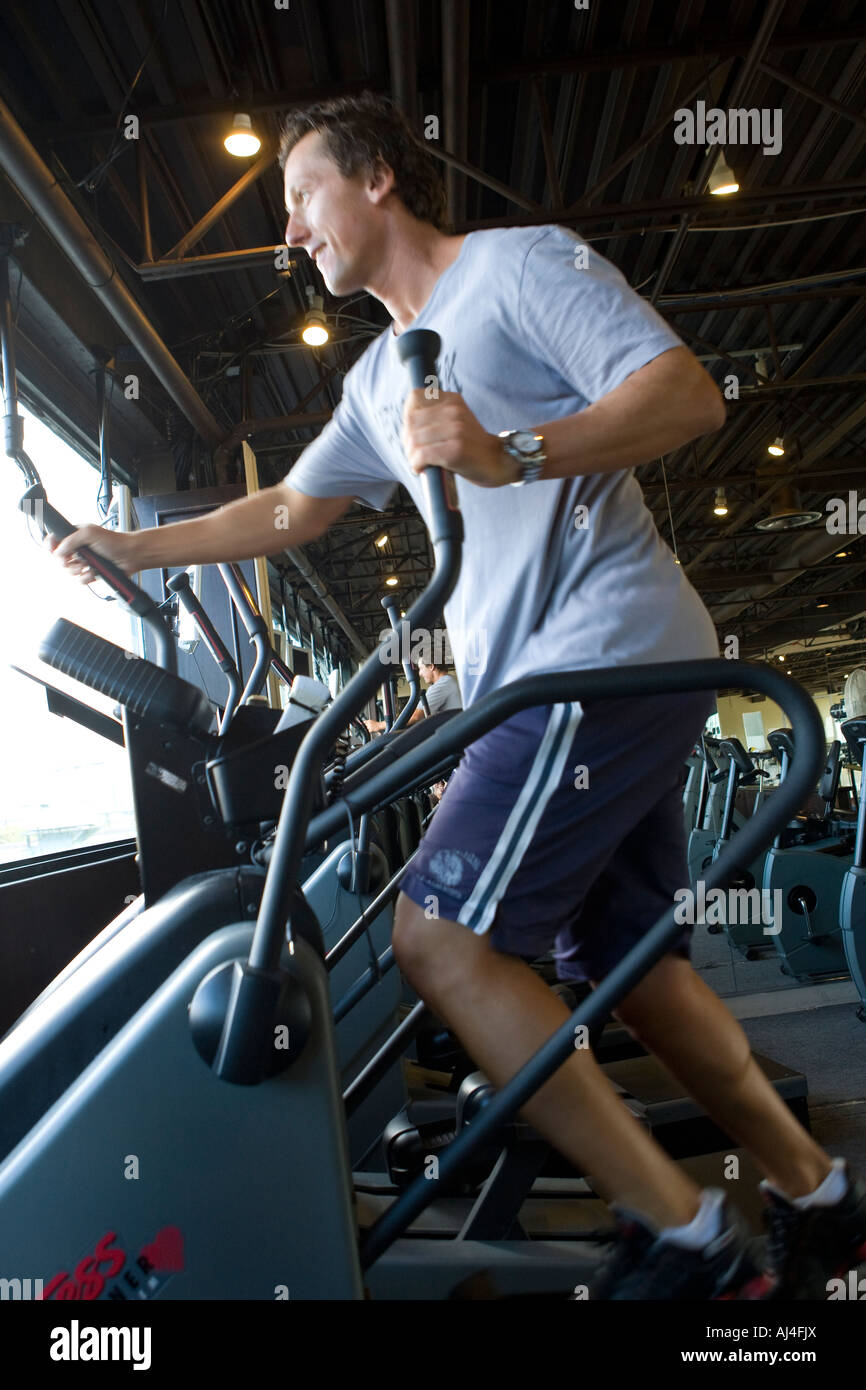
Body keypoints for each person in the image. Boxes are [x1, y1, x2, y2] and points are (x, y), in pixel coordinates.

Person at [50, 92, 866, 1301]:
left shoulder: (513, 269)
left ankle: (686, 1237)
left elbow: (684, 394)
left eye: (301, 196)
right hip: (589, 673)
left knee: (437, 941)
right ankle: (820, 1192)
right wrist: (135, 545)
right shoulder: (381, 378)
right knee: (630, 966)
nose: (289, 232)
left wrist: (511, 451)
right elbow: (288, 510)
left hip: (591, 660)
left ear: (377, 177)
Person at [364, 658, 462, 733]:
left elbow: (415, 717)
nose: (419, 674)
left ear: (431, 666)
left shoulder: (444, 684)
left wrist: (379, 725)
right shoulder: (448, 681)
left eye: (421, 668)